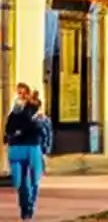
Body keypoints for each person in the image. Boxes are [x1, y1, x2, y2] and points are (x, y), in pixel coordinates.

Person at [6, 83, 45, 220]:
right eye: (18, 93)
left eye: (22, 93)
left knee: (34, 179)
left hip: (32, 146)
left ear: (27, 94)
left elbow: (38, 127)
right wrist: (13, 134)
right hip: (16, 148)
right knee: (18, 181)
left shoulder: (33, 109)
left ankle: (29, 207)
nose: (20, 96)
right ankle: (24, 206)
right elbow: (8, 129)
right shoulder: (14, 113)